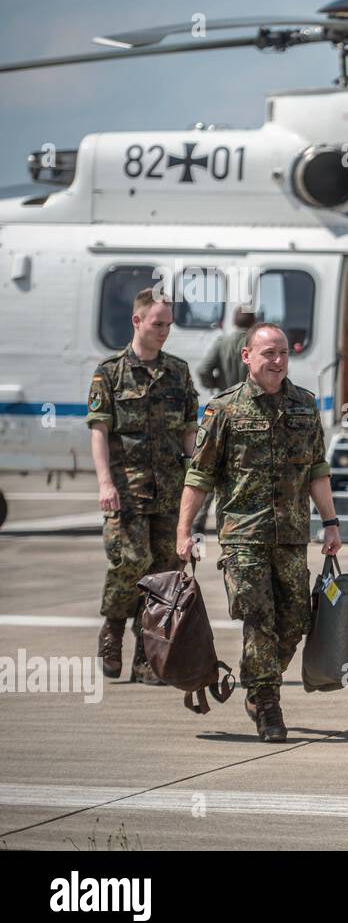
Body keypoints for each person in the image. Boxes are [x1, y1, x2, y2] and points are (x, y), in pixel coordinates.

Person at [176, 323, 342, 743]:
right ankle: (267, 703)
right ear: (247, 357)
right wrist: (185, 532)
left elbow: (317, 470)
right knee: (259, 618)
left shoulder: (304, 406)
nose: (278, 361)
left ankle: (254, 680)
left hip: (290, 536)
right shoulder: (223, 410)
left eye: (283, 353)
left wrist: (331, 522)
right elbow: (200, 476)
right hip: (242, 537)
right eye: (269, 353)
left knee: (296, 622)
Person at [87, 288, 199, 685]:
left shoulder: (179, 372)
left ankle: (146, 656)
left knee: (165, 572)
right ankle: (113, 631)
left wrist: (199, 476)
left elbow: (189, 432)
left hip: (170, 490)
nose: (164, 331)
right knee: (130, 562)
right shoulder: (110, 373)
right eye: (157, 324)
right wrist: (105, 483)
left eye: (168, 325)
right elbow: (99, 431)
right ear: (137, 322)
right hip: (126, 490)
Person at [194, 306, 254, 392]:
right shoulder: (257, 344)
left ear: (234, 321)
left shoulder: (221, 342)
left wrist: (216, 384)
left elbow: (203, 370)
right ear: (254, 321)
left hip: (226, 400)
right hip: (251, 401)